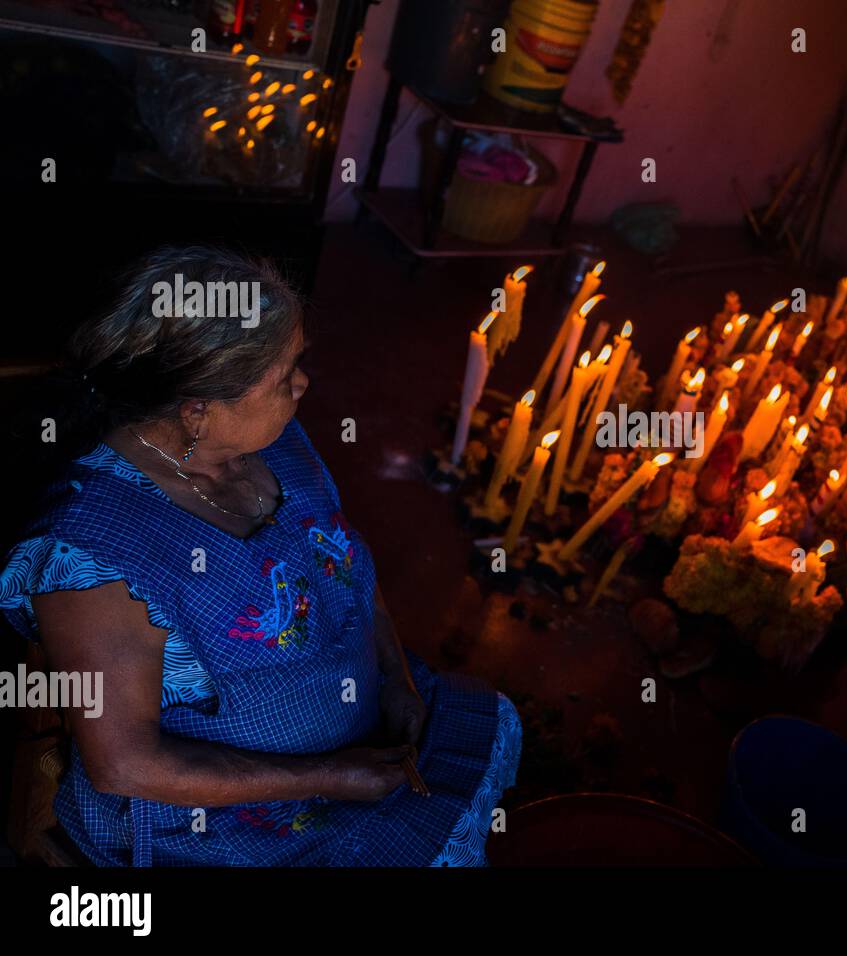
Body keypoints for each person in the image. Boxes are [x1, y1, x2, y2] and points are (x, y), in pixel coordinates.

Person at [0, 246, 521, 866]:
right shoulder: (91, 554)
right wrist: (332, 776)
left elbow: (346, 566)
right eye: (283, 376)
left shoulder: (280, 443)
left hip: (361, 734)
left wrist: (396, 681)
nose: (303, 383)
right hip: (224, 821)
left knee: (485, 731)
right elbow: (126, 764)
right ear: (197, 411)